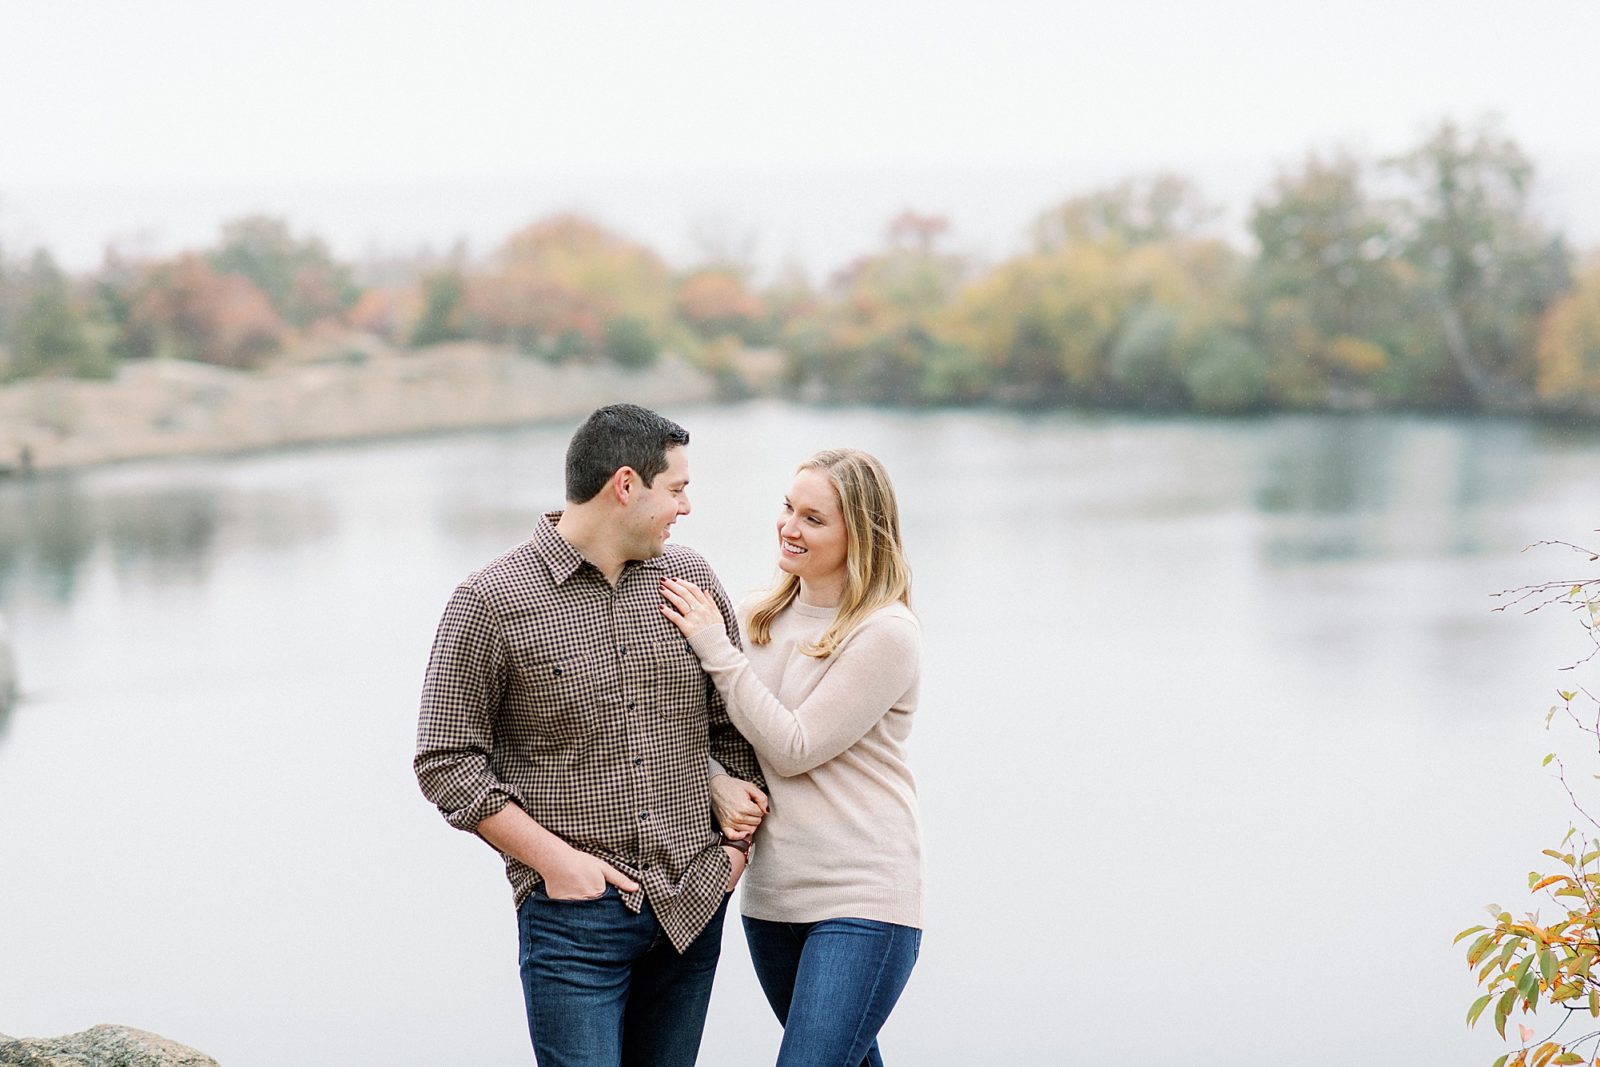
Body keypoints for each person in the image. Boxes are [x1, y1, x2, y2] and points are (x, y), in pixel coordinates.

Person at [414, 403, 765, 1067]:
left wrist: (732, 851)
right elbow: (447, 759)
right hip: (575, 923)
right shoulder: (490, 601)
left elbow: (732, 728)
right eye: (678, 489)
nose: (686, 508)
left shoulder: (691, 583)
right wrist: (555, 862)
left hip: (693, 904)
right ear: (625, 485)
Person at [660, 447, 923, 1067]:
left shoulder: (884, 632)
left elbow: (793, 747)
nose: (789, 527)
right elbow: (694, 735)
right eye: (787, 507)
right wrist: (716, 778)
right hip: (773, 899)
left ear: (859, 532)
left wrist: (714, 649)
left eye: (813, 518)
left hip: (862, 901)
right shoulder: (755, 617)